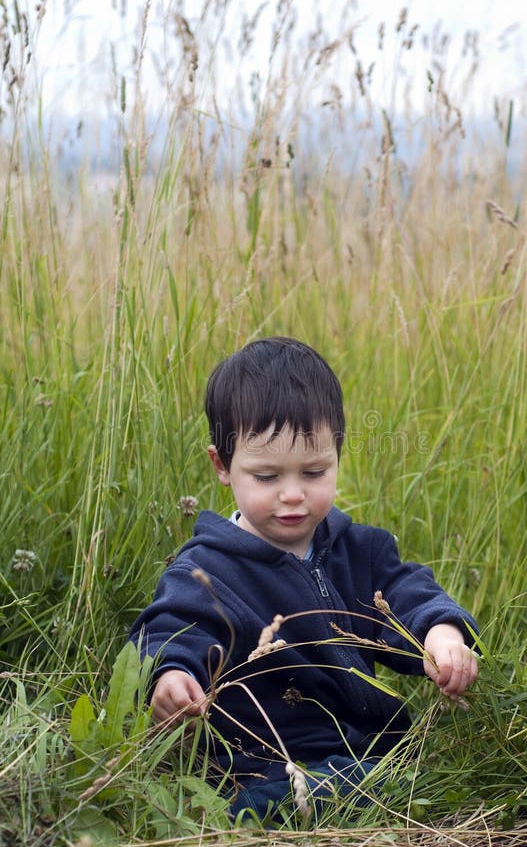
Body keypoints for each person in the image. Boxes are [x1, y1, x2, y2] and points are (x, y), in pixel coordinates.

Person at [129, 337, 478, 819]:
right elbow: (171, 630)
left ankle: (379, 788)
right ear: (222, 466)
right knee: (270, 800)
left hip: (371, 748)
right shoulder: (207, 571)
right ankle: (295, 806)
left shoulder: (360, 549)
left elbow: (406, 594)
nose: (292, 494)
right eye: (267, 477)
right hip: (264, 763)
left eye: (314, 472)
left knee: (419, 776)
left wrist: (441, 634)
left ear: (337, 455)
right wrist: (171, 674)